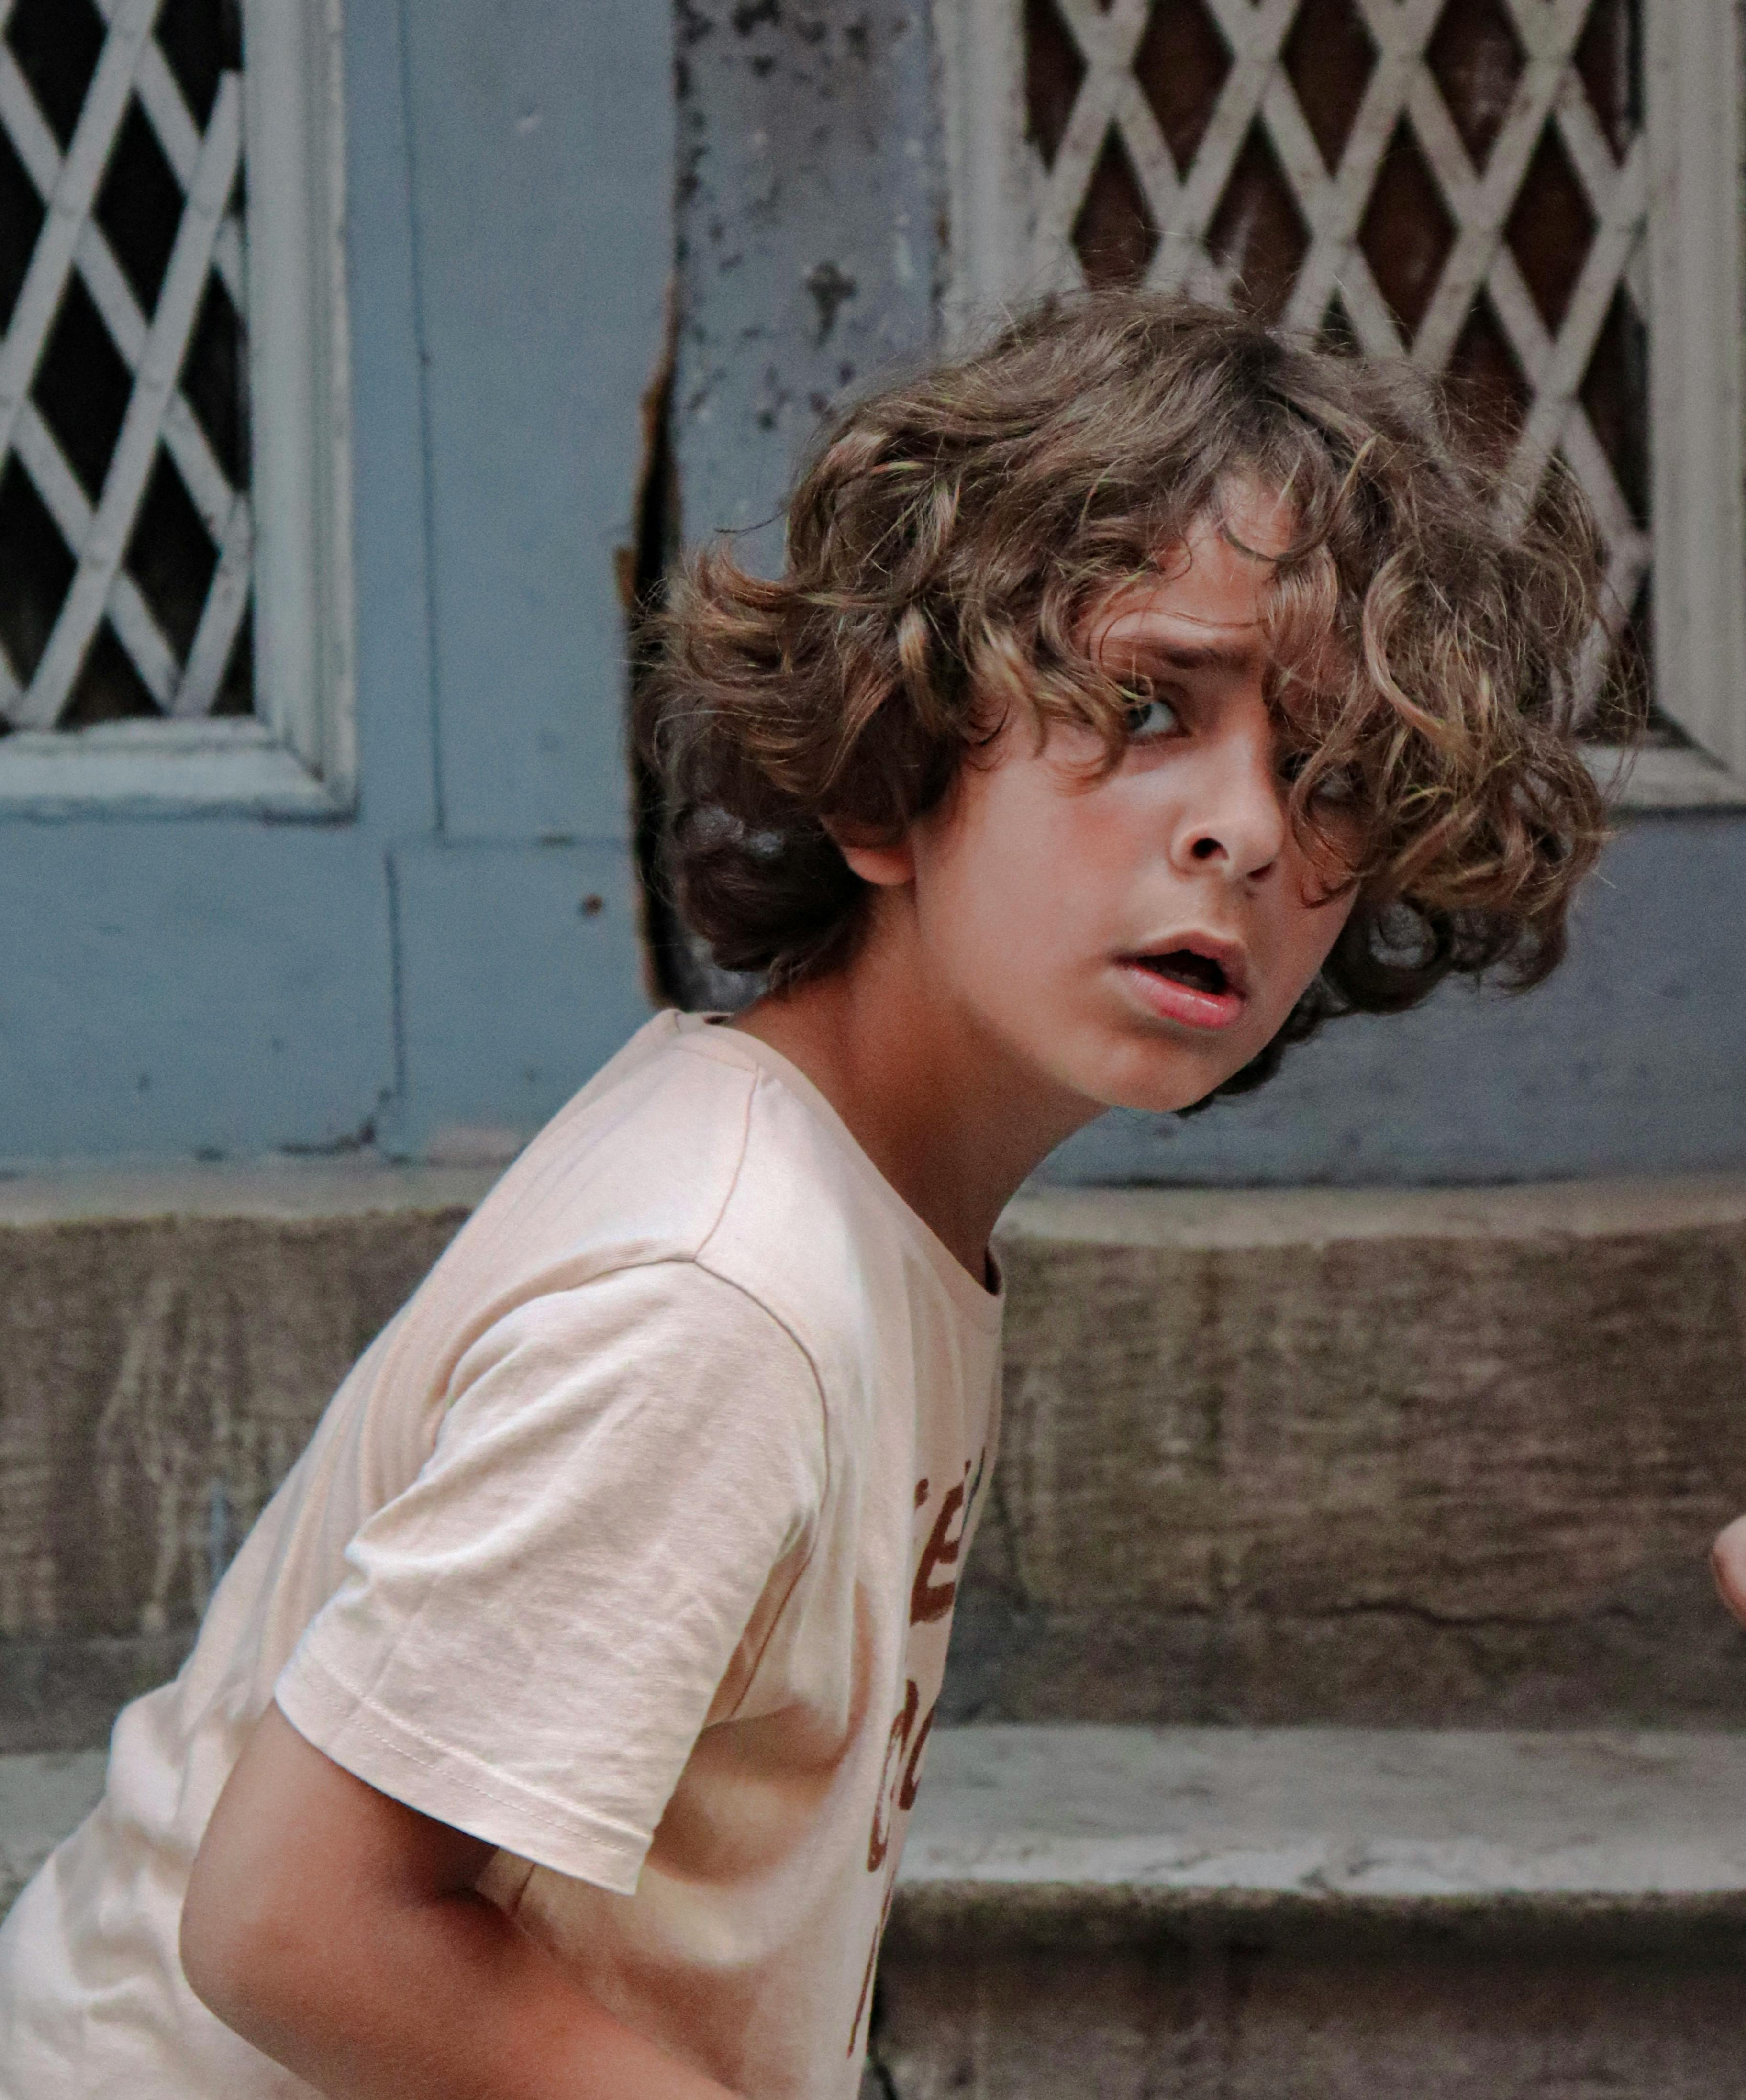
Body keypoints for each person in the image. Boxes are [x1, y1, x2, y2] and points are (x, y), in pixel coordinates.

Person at [0, 293, 1607, 2100]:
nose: (1243, 826)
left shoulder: (853, 1198)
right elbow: (298, 1922)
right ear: (888, 774)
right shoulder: (727, 1287)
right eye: (1146, 703)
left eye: (1327, 767)